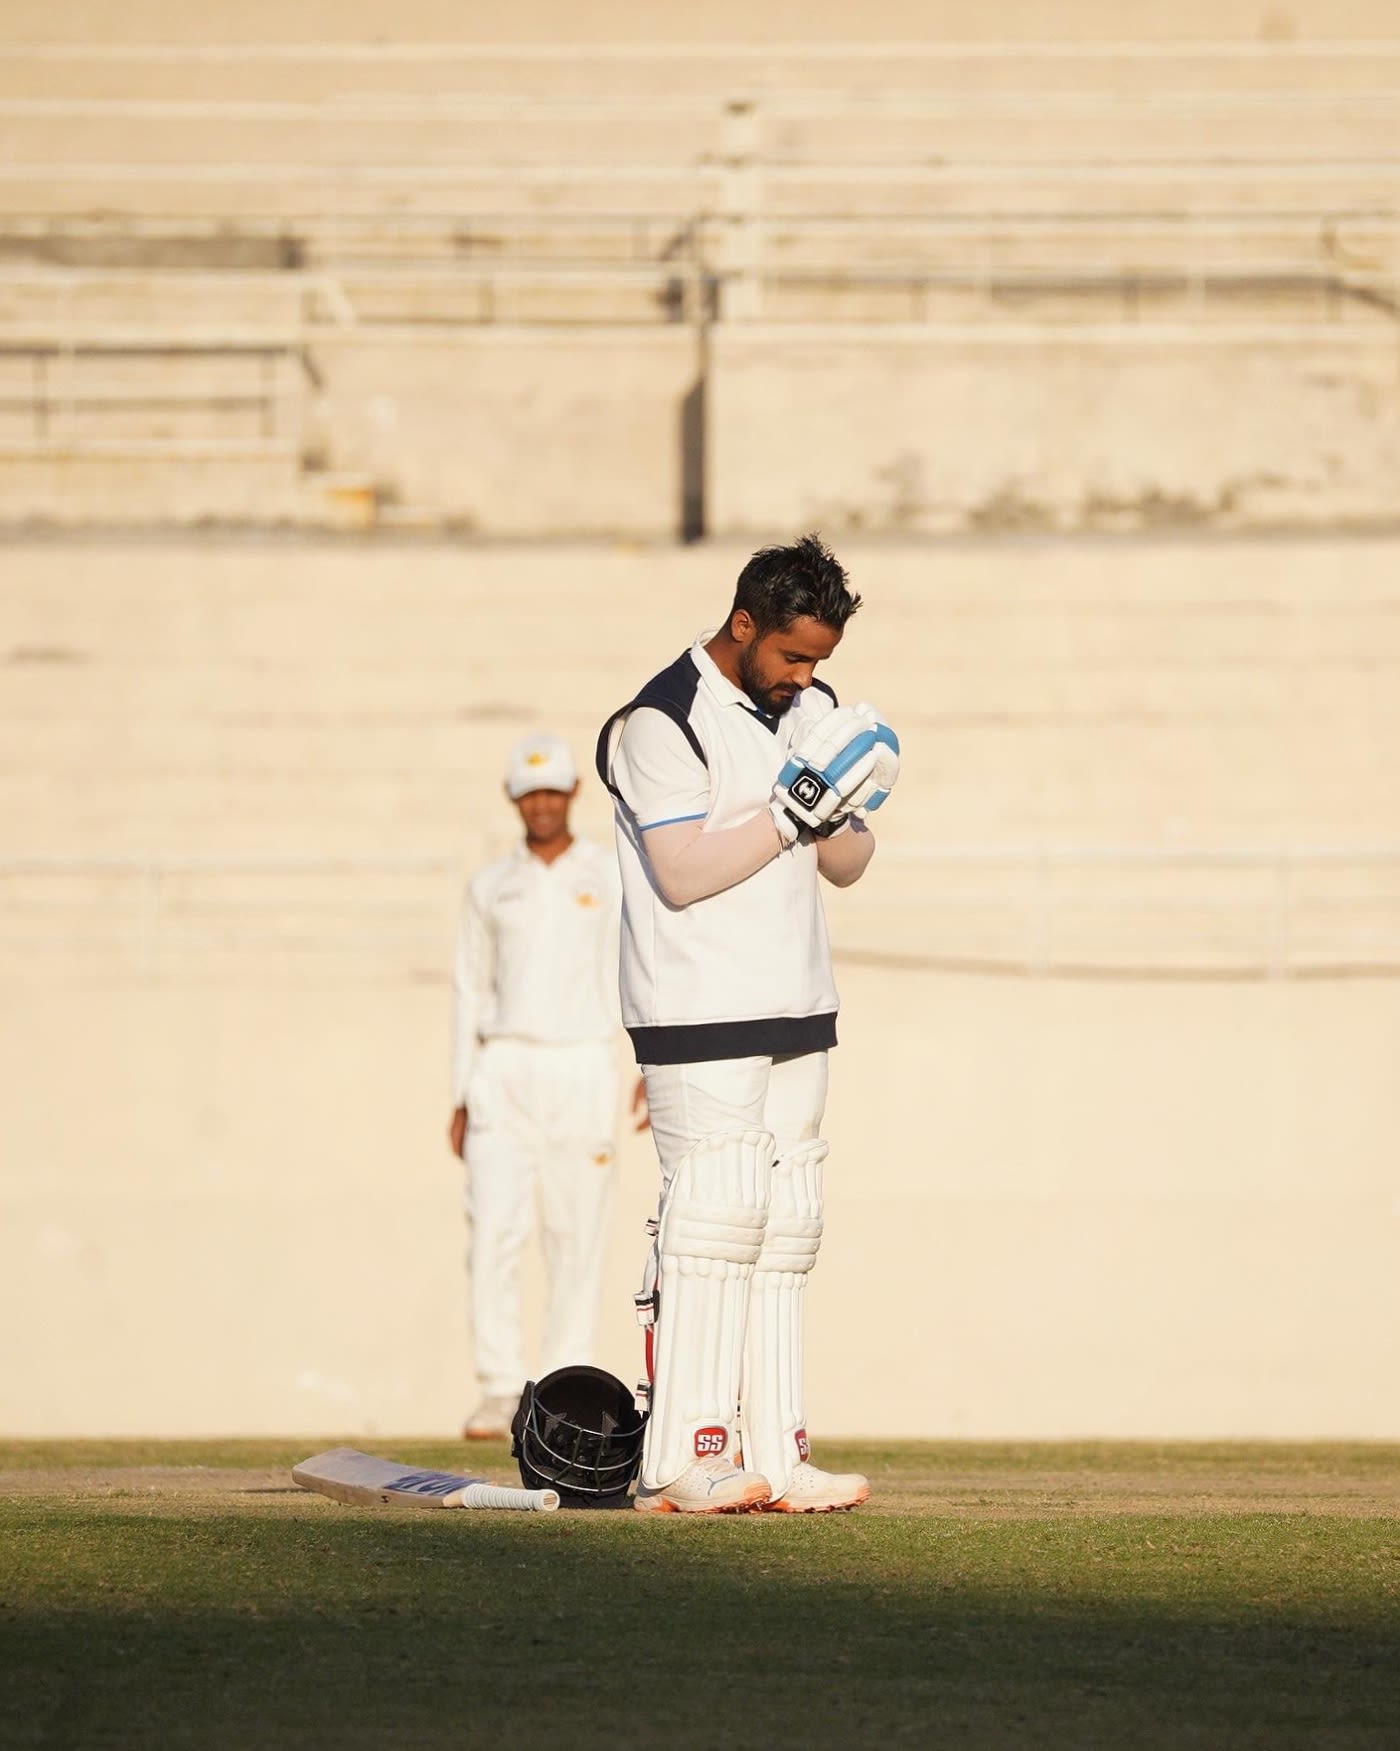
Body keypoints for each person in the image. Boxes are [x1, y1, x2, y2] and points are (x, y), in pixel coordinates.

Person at [595, 533, 899, 1513]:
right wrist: (791, 813)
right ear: (743, 625)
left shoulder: (809, 707)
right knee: (714, 1220)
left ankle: (777, 1450)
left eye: (818, 660)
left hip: (798, 1000)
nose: (804, 677)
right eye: (792, 655)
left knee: (786, 1225)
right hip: (698, 1007)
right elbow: (681, 874)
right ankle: (683, 1456)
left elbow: (845, 866)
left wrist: (846, 804)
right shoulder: (660, 720)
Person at [448, 733, 645, 1440]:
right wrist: (460, 1091)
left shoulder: (609, 874)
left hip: (584, 1064)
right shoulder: (489, 885)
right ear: (514, 798)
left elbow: (637, 970)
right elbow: (470, 989)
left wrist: (647, 1064)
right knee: (493, 1234)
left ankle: (563, 1390)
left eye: (552, 792)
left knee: (577, 1233)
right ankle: (499, 1387)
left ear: (572, 794)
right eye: (529, 793)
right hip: (504, 1069)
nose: (541, 804)